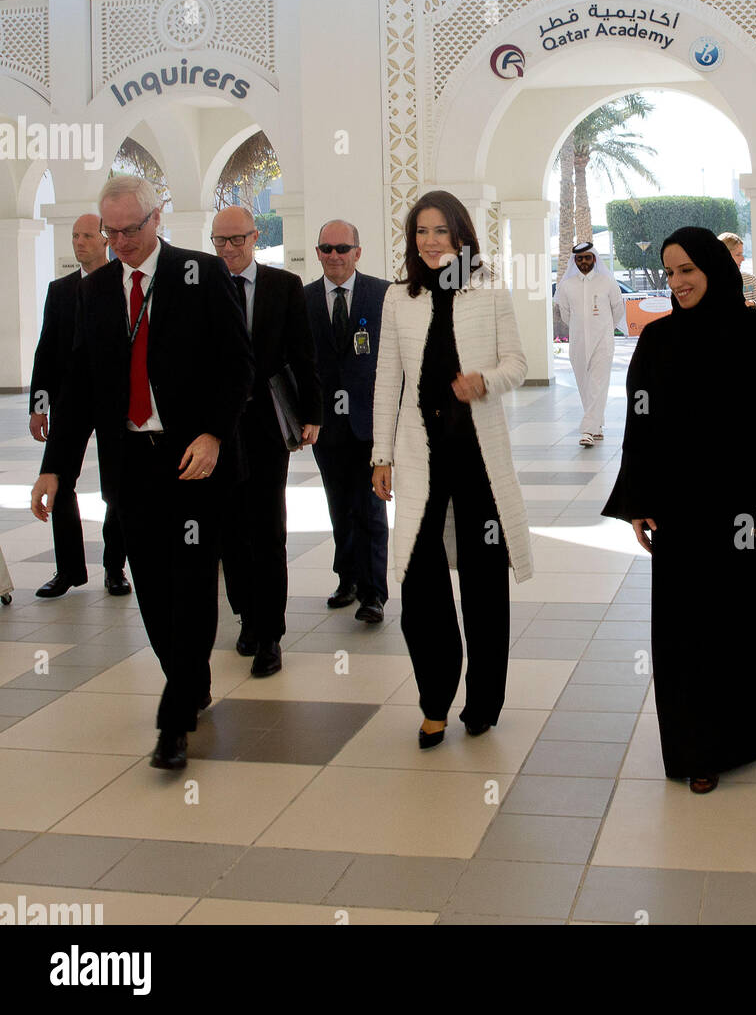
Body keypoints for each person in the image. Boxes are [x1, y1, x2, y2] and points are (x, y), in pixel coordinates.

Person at [30, 177, 253, 772]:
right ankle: (188, 679)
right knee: (153, 590)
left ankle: (173, 719)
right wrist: (56, 469)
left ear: (158, 218)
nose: (121, 242)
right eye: (111, 231)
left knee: (192, 583)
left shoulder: (201, 275)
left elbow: (238, 367)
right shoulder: (97, 290)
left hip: (192, 464)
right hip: (130, 467)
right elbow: (77, 389)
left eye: (131, 229)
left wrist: (212, 433)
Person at [603, 226, 756, 793]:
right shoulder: (658, 341)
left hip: (744, 508)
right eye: (670, 273)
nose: (677, 283)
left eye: (687, 271)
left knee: (750, 614)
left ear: (713, 270)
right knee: (688, 627)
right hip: (682, 512)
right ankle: (697, 746)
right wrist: (638, 502)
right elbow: (640, 426)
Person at [371, 190, 533, 747]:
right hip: (421, 453)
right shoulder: (400, 297)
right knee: (419, 580)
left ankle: (483, 700)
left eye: (441, 231)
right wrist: (381, 455)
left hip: (477, 457)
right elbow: (387, 378)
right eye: (422, 232)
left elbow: (518, 361)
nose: (431, 242)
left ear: (461, 235)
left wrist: (484, 380)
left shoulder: (488, 289)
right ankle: (434, 700)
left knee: (485, 583)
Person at [212, 205, 321, 678]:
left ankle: (271, 633)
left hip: (266, 426)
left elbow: (303, 352)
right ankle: (247, 617)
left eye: (238, 240)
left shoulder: (283, 287)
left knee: (267, 529)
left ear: (255, 237)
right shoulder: (202, 286)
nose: (230, 249)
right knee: (229, 530)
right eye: (221, 241)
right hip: (217, 430)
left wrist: (312, 414)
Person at [29, 214, 129, 597]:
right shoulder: (60, 290)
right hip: (70, 402)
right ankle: (68, 569)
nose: (79, 242)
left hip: (112, 400)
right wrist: (40, 406)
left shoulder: (122, 282)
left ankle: (114, 567)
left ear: (104, 239)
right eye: (74, 236)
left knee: (115, 485)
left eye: (87, 235)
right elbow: (46, 353)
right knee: (58, 478)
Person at [305, 220, 390, 623]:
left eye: (342, 248)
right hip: (326, 426)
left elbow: (397, 362)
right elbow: (295, 364)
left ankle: (374, 593)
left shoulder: (383, 295)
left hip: (371, 422)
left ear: (358, 252)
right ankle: (348, 579)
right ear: (318, 252)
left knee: (370, 507)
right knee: (339, 505)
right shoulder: (302, 299)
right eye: (326, 248)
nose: (334, 255)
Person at [555, 242, 625, 447]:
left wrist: (604, 327)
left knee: (598, 382)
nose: (583, 262)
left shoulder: (607, 281)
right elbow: (566, 315)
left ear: (594, 258)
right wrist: (582, 327)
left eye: (587, 257)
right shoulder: (566, 286)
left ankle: (587, 430)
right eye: (579, 258)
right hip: (578, 342)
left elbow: (618, 309)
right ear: (574, 261)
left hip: (603, 341)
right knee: (585, 384)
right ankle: (597, 425)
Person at [718, 232, 756, 310]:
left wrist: (753, 305)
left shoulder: (751, 280)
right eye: (738, 255)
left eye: (742, 254)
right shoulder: (706, 283)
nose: (743, 259)